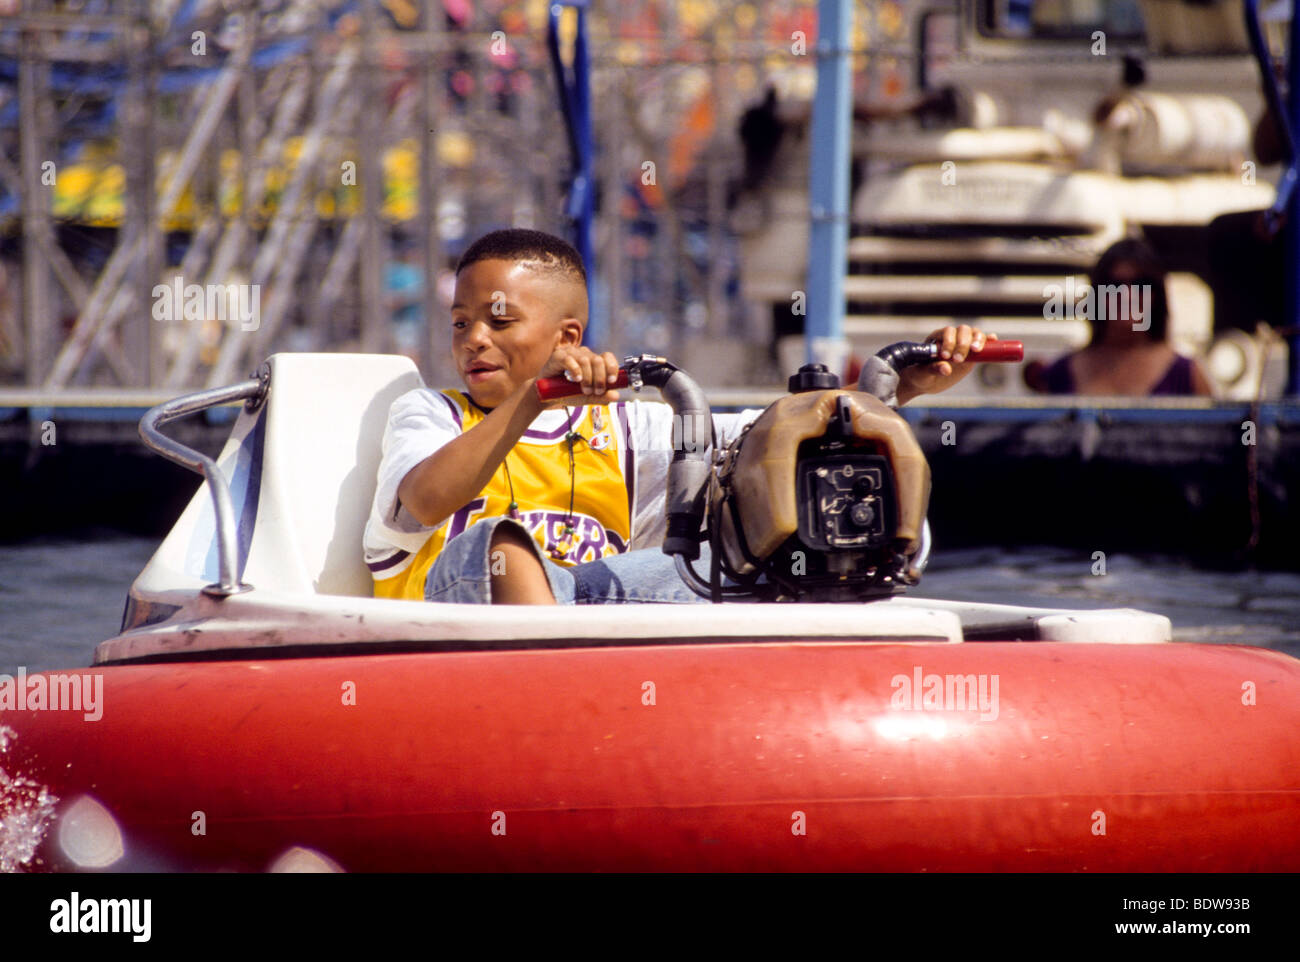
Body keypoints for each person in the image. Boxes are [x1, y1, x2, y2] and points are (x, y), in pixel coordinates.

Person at [363, 228, 994, 605]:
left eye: (498, 321)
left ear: (568, 336)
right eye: (460, 323)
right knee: (499, 546)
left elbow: (775, 439)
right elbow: (422, 502)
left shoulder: (634, 429)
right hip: (452, 612)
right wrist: (534, 401)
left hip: (591, 610)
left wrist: (895, 390)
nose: (473, 338)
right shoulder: (430, 412)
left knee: (743, 547)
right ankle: (548, 713)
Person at [1029, 238, 1214, 397]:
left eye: (1140, 284)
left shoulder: (1187, 375)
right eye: (1114, 284)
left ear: (1157, 295)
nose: (1127, 296)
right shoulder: (1060, 374)